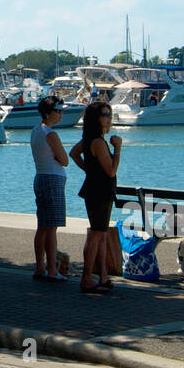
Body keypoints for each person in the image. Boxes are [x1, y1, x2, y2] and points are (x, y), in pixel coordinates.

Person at [69, 101, 120, 293]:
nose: (109, 118)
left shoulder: (90, 139)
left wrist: (89, 170)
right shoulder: (98, 142)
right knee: (97, 234)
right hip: (100, 191)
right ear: (96, 119)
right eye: (105, 114)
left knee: (101, 233)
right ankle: (87, 278)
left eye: (110, 113)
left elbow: (74, 153)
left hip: (94, 189)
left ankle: (103, 275)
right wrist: (118, 148)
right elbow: (111, 170)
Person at [30, 95, 70, 281]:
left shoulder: (36, 131)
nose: (60, 114)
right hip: (52, 179)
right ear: (47, 113)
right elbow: (65, 160)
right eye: (57, 111)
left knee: (42, 226)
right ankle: (52, 270)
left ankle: (40, 266)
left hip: (41, 177)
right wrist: (59, 157)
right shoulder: (51, 134)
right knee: (51, 228)